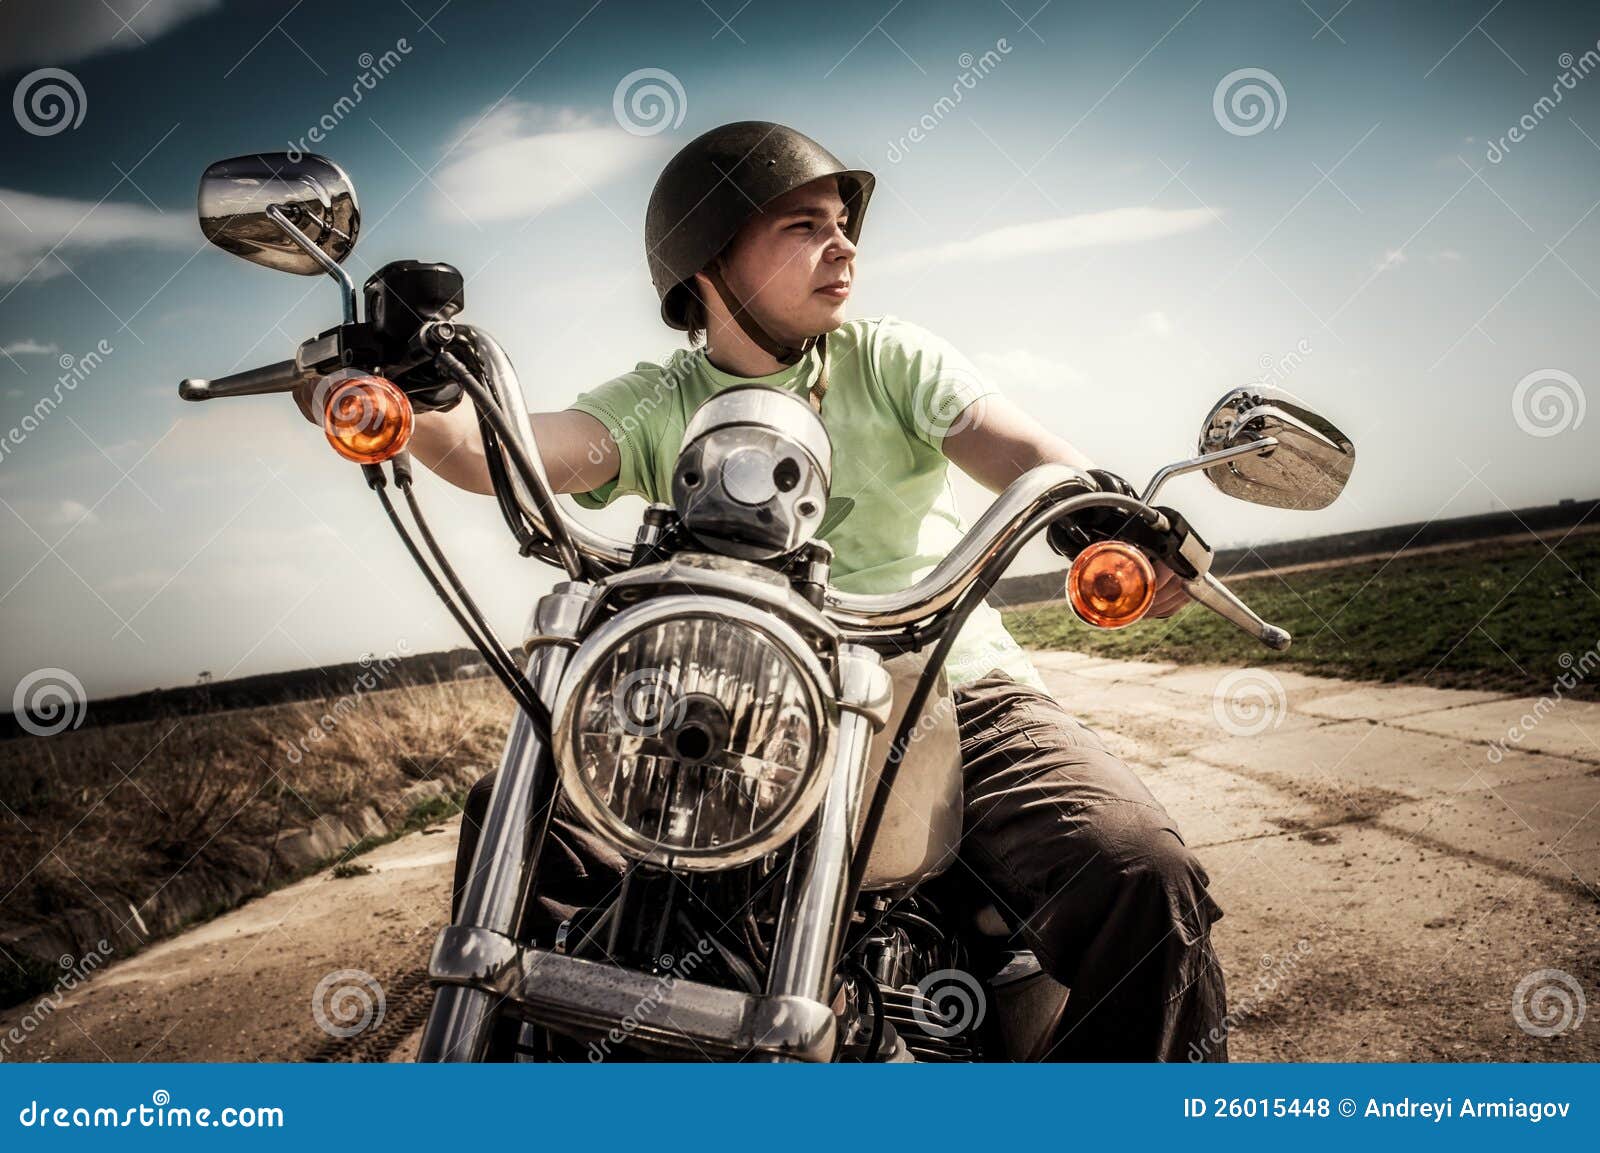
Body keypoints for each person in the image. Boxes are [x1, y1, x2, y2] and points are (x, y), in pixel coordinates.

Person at [298, 120, 1228, 1061]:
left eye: (844, 222)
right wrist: (412, 390)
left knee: (1139, 871)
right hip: (733, 714)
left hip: (947, 689)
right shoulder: (661, 400)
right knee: (526, 808)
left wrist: (1105, 513)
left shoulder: (887, 357)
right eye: (802, 224)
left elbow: (1020, 449)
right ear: (707, 259)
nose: (844, 245)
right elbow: (499, 455)